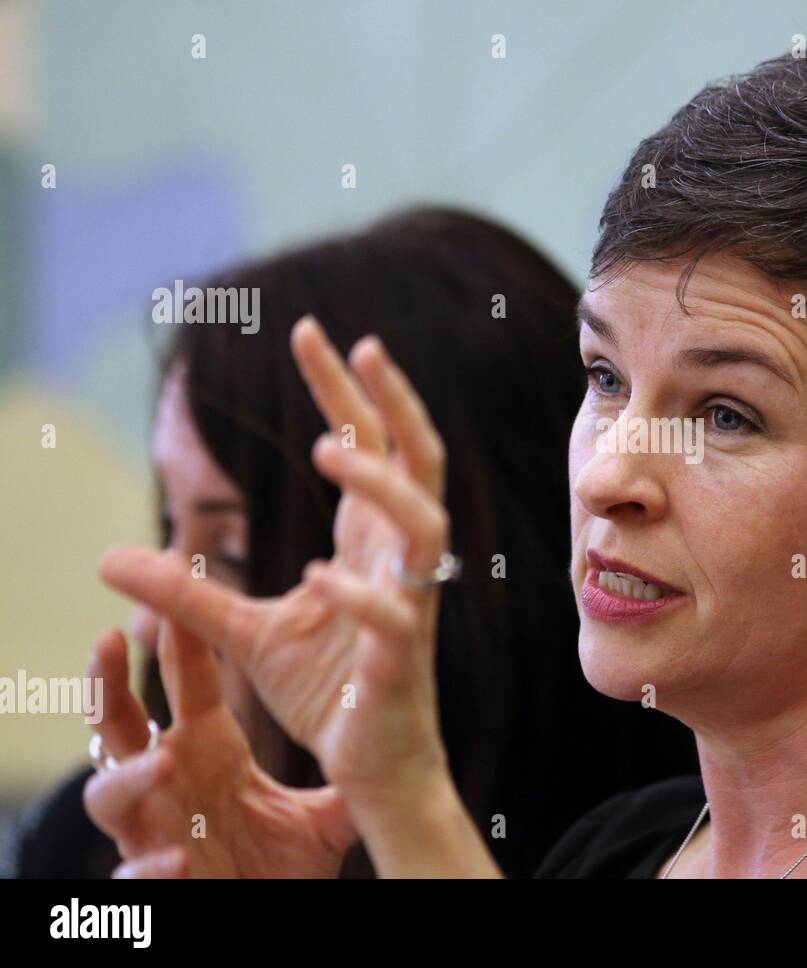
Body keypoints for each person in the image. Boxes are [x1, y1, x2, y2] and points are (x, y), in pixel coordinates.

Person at [83, 13, 807, 878]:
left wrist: (406, 797)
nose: (606, 471)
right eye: (601, 377)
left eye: (726, 414)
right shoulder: (611, 852)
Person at [10, 207, 697, 878]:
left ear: (453, 590)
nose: (154, 622)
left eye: (236, 554)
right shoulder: (97, 839)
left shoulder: (650, 848)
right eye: (171, 531)